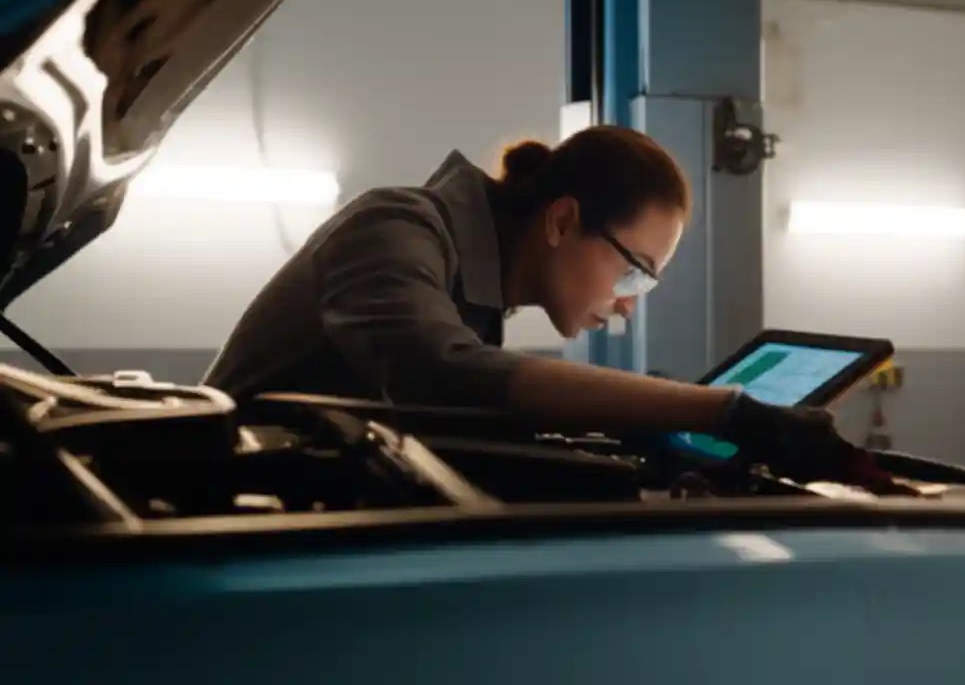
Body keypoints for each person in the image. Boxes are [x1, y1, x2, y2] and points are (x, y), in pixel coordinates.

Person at [203, 126, 904, 492]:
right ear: (563, 222)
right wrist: (719, 410)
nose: (629, 305)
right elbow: (441, 373)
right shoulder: (395, 228)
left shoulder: (470, 288)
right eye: (636, 272)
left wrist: (635, 443)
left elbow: (461, 419)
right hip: (209, 524)